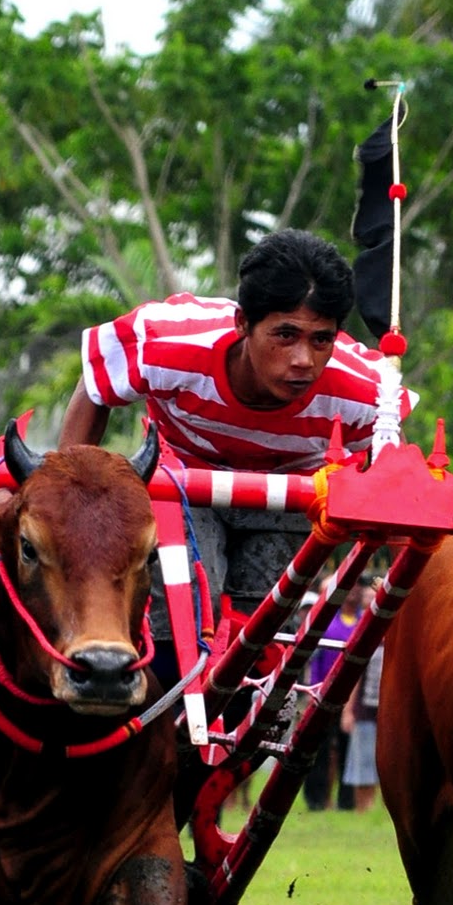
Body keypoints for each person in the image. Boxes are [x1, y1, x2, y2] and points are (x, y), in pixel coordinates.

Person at [57, 229, 417, 684]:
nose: (304, 359)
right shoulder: (167, 342)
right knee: (183, 600)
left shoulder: (364, 391)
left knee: (266, 624)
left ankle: (245, 723)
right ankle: (162, 715)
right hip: (185, 483)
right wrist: (73, 501)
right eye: (285, 335)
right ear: (242, 323)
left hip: (285, 498)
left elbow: (392, 481)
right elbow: (94, 388)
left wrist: (409, 587)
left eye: (321, 340)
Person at [301, 575, 372, 812]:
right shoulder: (329, 621)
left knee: (347, 751)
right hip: (323, 694)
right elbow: (316, 660)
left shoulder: (366, 621)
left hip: (353, 698)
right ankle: (316, 801)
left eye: (359, 587)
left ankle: (347, 802)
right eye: (351, 586)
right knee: (319, 750)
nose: (355, 591)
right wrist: (313, 691)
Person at [341, 637, 384, 813]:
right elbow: (355, 679)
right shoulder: (368, 642)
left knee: (387, 766)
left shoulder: (399, 643)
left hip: (386, 715)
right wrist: (348, 711)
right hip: (364, 713)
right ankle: (364, 809)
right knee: (362, 765)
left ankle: (384, 811)